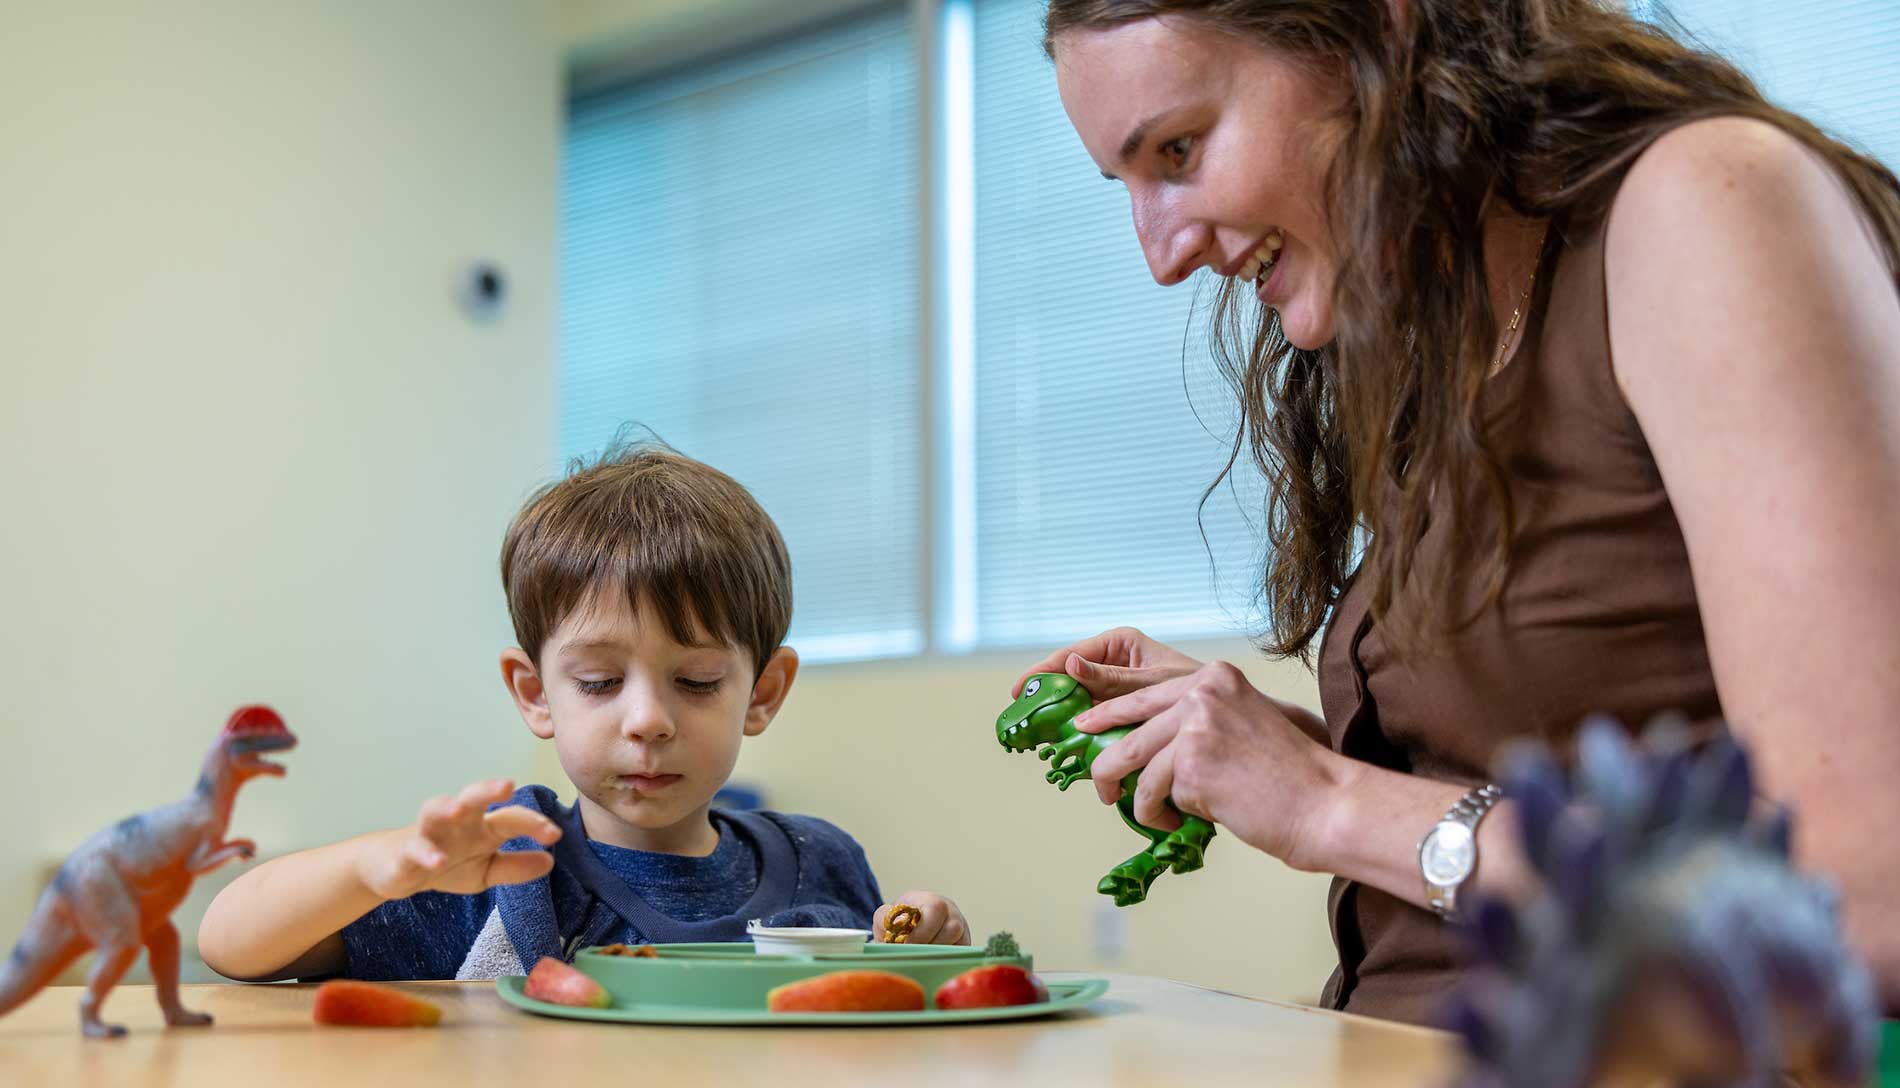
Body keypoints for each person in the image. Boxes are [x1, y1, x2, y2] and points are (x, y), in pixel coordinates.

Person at [1020, 0, 1900, 1024]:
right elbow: (1529, 767)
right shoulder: (1444, 320)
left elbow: (1862, 902)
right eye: (1126, 184)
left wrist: (1326, 800)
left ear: (1376, 29)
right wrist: (1264, 754)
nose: (1161, 256)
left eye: (1178, 150)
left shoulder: (1704, 201)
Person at [200, 443, 967, 982]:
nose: (647, 720)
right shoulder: (502, 872)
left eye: (696, 680)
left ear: (762, 693)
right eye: (599, 682)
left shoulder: (823, 865)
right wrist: (379, 865)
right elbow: (230, 944)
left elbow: (888, 1018)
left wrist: (934, 944)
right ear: (536, 694)